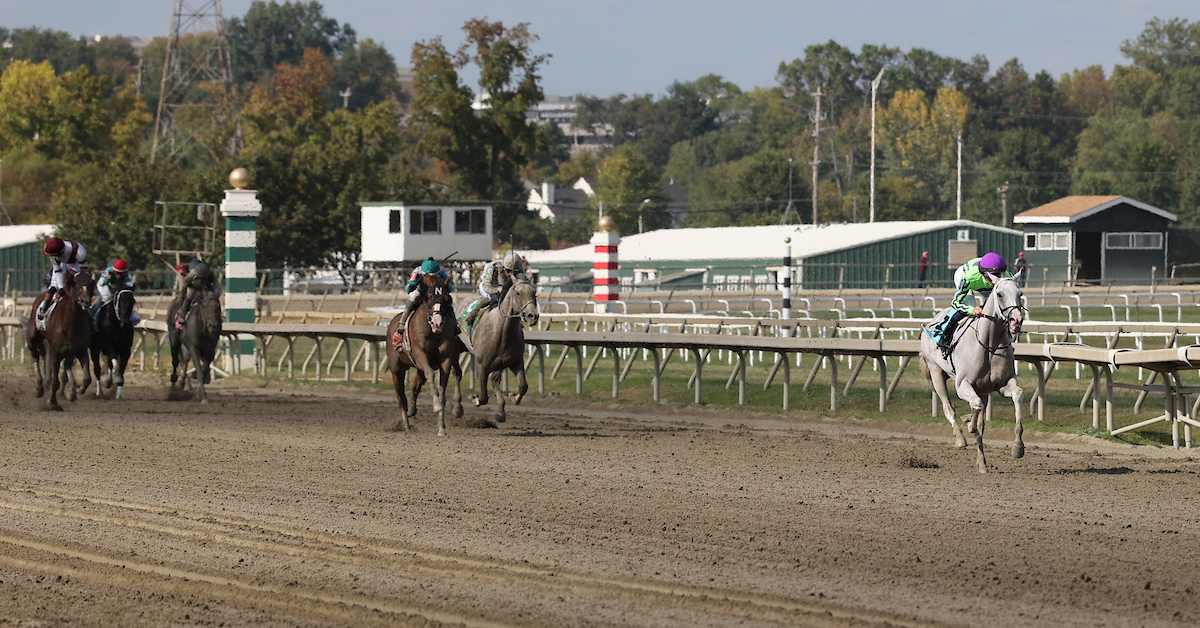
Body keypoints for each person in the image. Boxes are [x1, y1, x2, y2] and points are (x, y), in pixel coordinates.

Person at [931, 251, 1008, 356]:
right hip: (965, 276)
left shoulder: (1006, 276)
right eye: (992, 276)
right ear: (984, 274)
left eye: (998, 275)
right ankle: (942, 335)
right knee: (969, 306)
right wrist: (971, 310)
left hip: (982, 282)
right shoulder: (969, 277)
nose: (995, 279)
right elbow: (956, 302)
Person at [462, 251, 526, 329]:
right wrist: (496, 290)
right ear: (504, 267)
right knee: (490, 298)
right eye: (509, 271)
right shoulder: (492, 267)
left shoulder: (518, 268)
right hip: (487, 286)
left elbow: (524, 283)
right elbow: (486, 286)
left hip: (502, 287)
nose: (511, 275)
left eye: (515, 272)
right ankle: (470, 315)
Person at [36, 237, 88, 323]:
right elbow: (58, 271)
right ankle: (44, 307)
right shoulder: (55, 254)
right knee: (53, 287)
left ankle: (87, 309)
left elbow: (83, 274)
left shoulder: (80, 252)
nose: (52, 257)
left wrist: (81, 285)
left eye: (54, 255)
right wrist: (61, 288)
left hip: (76, 265)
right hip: (62, 265)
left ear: (61, 252)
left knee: (82, 285)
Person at [93, 258, 137, 328]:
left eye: (121, 273)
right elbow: (101, 284)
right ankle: (93, 314)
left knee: (126, 298)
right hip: (105, 286)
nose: (119, 275)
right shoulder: (108, 272)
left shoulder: (127, 275)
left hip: (119, 288)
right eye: (117, 273)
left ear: (125, 272)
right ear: (114, 270)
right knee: (105, 298)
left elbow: (129, 287)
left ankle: (132, 315)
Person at [174, 257, 216, 330]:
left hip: (198, 278)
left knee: (189, 297)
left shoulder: (190, 270)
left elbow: (186, 284)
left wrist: (181, 297)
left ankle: (181, 316)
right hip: (207, 278)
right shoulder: (197, 265)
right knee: (212, 299)